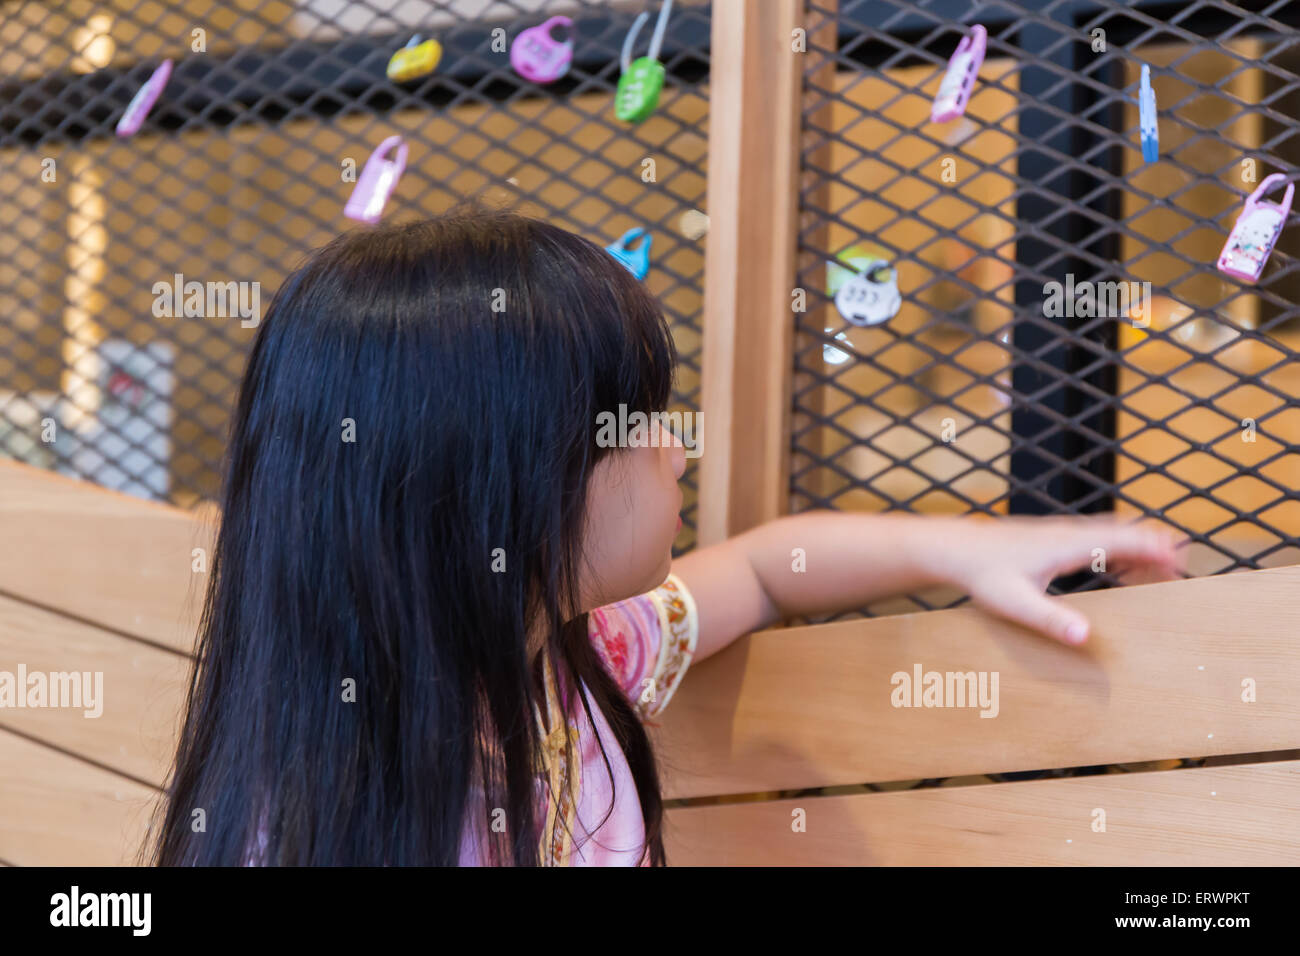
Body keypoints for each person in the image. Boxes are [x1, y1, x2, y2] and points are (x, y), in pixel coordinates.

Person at [147, 202, 1180, 867]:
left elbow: (770, 568)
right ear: (497, 488)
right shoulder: (314, 825)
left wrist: (965, 551)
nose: (674, 449)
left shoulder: (582, 666)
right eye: (629, 426)